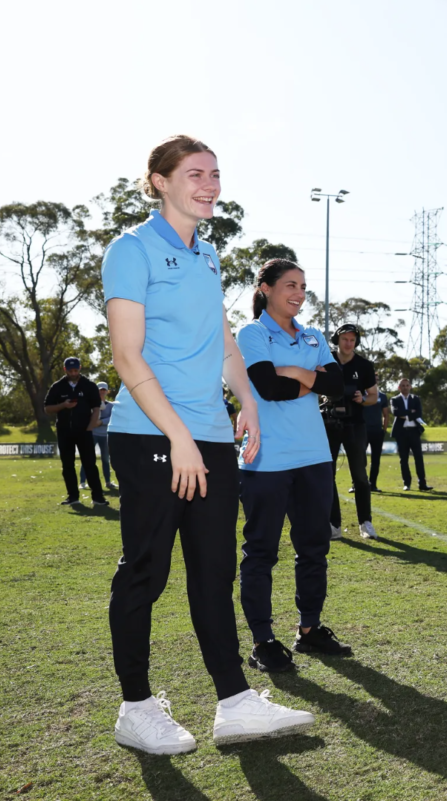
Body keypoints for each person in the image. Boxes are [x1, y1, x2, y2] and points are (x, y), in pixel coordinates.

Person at [104, 134, 312, 755]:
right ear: (160, 181)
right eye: (195, 174)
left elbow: (222, 339)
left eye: (216, 174)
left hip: (212, 437)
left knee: (214, 572)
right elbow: (125, 354)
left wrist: (245, 398)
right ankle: (136, 708)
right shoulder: (131, 249)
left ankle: (235, 703)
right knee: (146, 570)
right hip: (151, 435)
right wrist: (178, 436)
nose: (210, 185)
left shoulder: (209, 253)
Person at [237, 258, 352, 673]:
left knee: (314, 549)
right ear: (265, 288)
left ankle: (309, 630)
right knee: (262, 553)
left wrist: (293, 370)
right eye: (290, 285)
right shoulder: (251, 333)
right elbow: (269, 389)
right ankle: (263, 641)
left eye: (303, 286)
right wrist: (309, 376)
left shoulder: (313, 335)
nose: (299, 294)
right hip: (265, 461)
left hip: (314, 458)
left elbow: (339, 386)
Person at [324, 323, 380, 539]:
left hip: (356, 425)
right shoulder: (325, 360)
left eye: (352, 340)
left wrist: (362, 399)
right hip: (328, 424)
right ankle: (333, 525)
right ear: (337, 340)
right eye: (345, 339)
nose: (348, 343)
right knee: (328, 475)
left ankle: (365, 523)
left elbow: (373, 396)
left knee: (360, 476)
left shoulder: (364, 365)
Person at [44, 357, 107, 507]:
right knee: (67, 465)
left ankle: (98, 498)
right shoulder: (57, 386)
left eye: (76, 370)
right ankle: (73, 497)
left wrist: (91, 426)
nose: (73, 373)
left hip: (84, 431)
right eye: (70, 370)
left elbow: (96, 408)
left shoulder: (89, 385)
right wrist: (63, 405)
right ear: (65, 370)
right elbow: (47, 408)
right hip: (64, 431)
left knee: (90, 464)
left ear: (80, 368)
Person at [391, 379, 433, 491]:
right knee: (403, 459)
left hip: (414, 431)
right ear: (399, 387)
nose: (405, 387)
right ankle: (407, 483)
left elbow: (418, 413)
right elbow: (396, 413)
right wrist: (411, 412)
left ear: (410, 387)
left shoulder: (416, 399)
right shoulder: (395, 399)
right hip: (401, 432)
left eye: (407, 385)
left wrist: (405, 413)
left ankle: (422, 484)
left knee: (418, 458)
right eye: (403, 385)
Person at [80, 382, 117, 491]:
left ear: (107, 391)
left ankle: (108, 482)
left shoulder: (111, 405)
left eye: (104, 390)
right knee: (88, 458)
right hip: (92, 434)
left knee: (105, 459)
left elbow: (112, 418)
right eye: (100, 390)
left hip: (104, 435)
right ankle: (82, 482)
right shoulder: (90, 403)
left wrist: (100, 422)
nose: (102, 392)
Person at [365, 387, 391, 491]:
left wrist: (383, 430)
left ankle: (373, 484)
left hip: (377, 431)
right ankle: (357, 484)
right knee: (359, 460)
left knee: (376, 460)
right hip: (362, 431)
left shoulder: (383, 396)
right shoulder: (360, 394)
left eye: (376, 379)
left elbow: (386, 414)